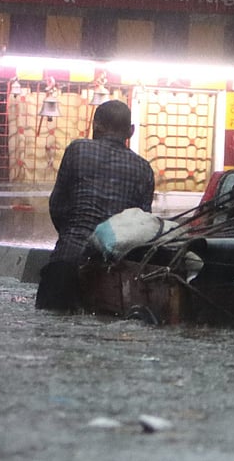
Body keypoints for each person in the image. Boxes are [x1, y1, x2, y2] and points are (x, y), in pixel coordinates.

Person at [36, 99, 155, 311]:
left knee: (50, 333)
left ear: (96, 125)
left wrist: (71, 235)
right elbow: (141, 226)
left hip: (67, 260)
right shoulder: (144, 169)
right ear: (131, 131)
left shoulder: (78, 150)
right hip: (115, 276)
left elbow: (57, 205)